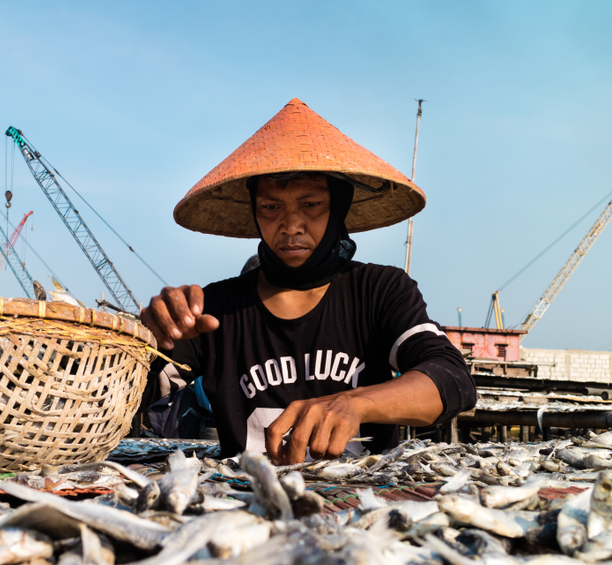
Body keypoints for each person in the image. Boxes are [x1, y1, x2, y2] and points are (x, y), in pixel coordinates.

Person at [140, 98, 476, 465]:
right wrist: (150, 339)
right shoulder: (215, 309)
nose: (291, 225)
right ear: (255, 211)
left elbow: (450, 380)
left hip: (362, 500)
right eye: (271, 207)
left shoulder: (380, 290)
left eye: (311, 204)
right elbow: (122, 396)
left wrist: (355, 403)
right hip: (247, 501)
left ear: (338, 209)